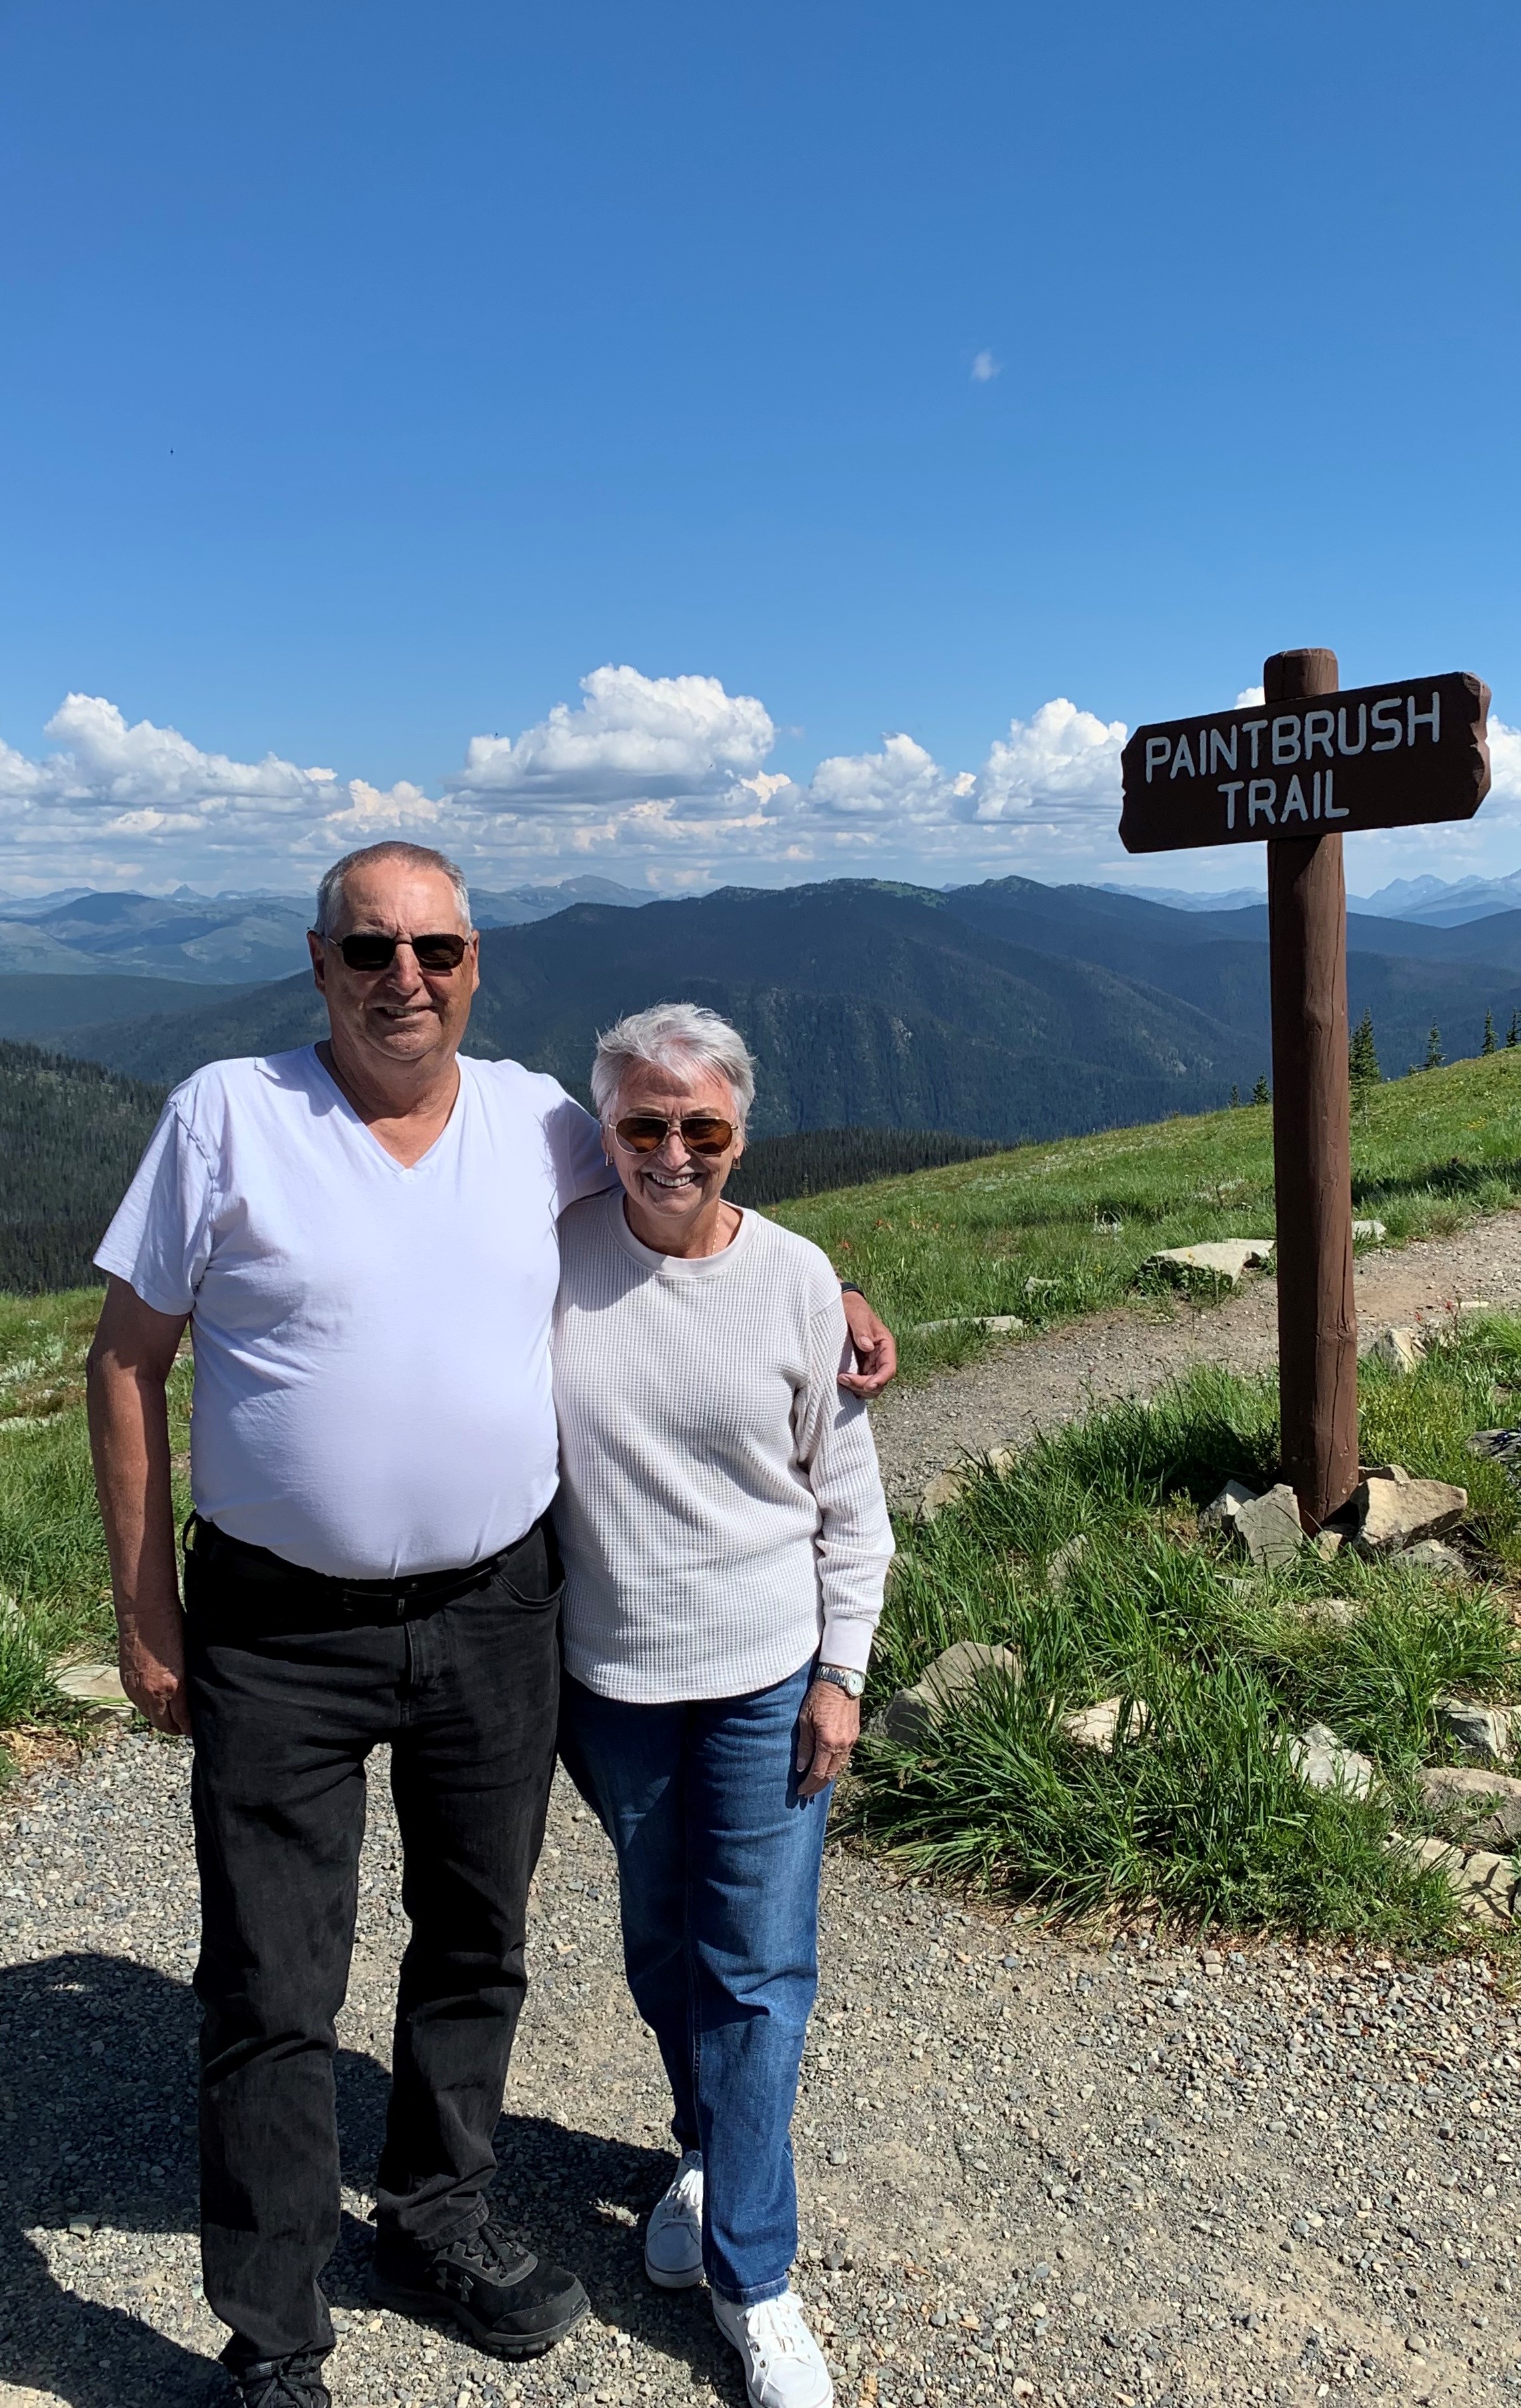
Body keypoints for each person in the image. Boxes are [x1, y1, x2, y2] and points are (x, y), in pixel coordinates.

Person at [85, 845, 897, 2408]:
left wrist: (832, 1287)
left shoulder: (535, 1120)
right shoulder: (227, 1113)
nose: (404, 977)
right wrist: (147, 1612)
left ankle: (435, 2213)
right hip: (278, 1623)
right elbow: (124, 1360)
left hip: (494, 1608)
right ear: (318, 961)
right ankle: (274, 2333)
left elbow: (683, 1171)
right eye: (369, 949)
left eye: (435, 949)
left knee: (474, 1937)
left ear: (474, 963)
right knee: (272, 1975)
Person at [550, 1003, 894, 2408]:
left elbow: (850, 1507)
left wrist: (840, 1674)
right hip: (610, 1684)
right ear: (602, 1130)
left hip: (766, 1678)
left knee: (755, 1966)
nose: (672, 1150)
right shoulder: (551, 1255)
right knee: (661, 1942)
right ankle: (702, 2146)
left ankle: (757, 2278)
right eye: (644, 1123)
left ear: (742, 1134)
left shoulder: (798, 1277)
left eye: (702, 1126)